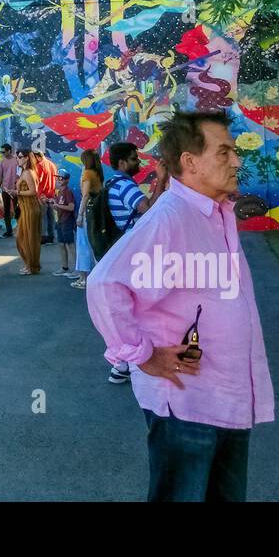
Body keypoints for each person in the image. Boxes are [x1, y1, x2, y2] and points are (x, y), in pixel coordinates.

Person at [87, 111, 274, 503]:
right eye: (224, 153)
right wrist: (141, 355)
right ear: (189, 162)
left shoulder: (215, 213)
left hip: (223, 397)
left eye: (234, 152)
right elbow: (105, 284)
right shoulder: (171, 216)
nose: (236, 162)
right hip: (186, 404)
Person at [101, 142, 168, 383]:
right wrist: (160, 181)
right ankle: (125, 363)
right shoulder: (125, 185)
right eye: (133, 159)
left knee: (130, 307)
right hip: (133, 251)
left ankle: (124, 362)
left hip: (125, 250)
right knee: (137, 308)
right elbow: (148, 209)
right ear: (121, 164)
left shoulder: (112, 183)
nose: (138, 163)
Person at [73, 148, 106, 290]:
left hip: (88, 212)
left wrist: (79, 215)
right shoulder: (97, 174)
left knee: (83, 244)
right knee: (95, 244)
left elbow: (85, 195)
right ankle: (99, 277)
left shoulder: (87, 174)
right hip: (97, 211)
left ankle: (83, 279)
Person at [13, 148, 43, 275]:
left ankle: (32, 266)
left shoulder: (28, 172)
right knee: (23, 238)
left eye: (20, 157)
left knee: (28, 238)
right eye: (17, 156)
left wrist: (17, 192)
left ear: (26, 158)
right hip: (26, 208)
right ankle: (30, 264)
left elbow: (33, 191)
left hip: (30, 208)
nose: (18, 159)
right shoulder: (25, 172)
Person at [52, 170, 78, 276]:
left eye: (61, 178)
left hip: (67, 221)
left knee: (70, 245)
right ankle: (64, 267)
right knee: (61, 244)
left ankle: (77, 269)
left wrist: (57, 206)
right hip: (60, 221)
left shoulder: (67, 191)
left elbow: (71, 207)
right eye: (57, 177)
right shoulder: (59, 191)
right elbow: (58, 205)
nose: (58, 179)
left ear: (67, 180)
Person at [0, 143, 18, 238]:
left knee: (18, 210)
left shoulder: (17, 161)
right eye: (1, 152)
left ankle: (20, 230)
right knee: (6, 211)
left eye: (3, 151)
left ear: (9, 151)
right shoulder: (2, 162)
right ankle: (9, 231)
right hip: (5, 190)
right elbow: (0, 176)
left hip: (16, 190)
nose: (2, 153)